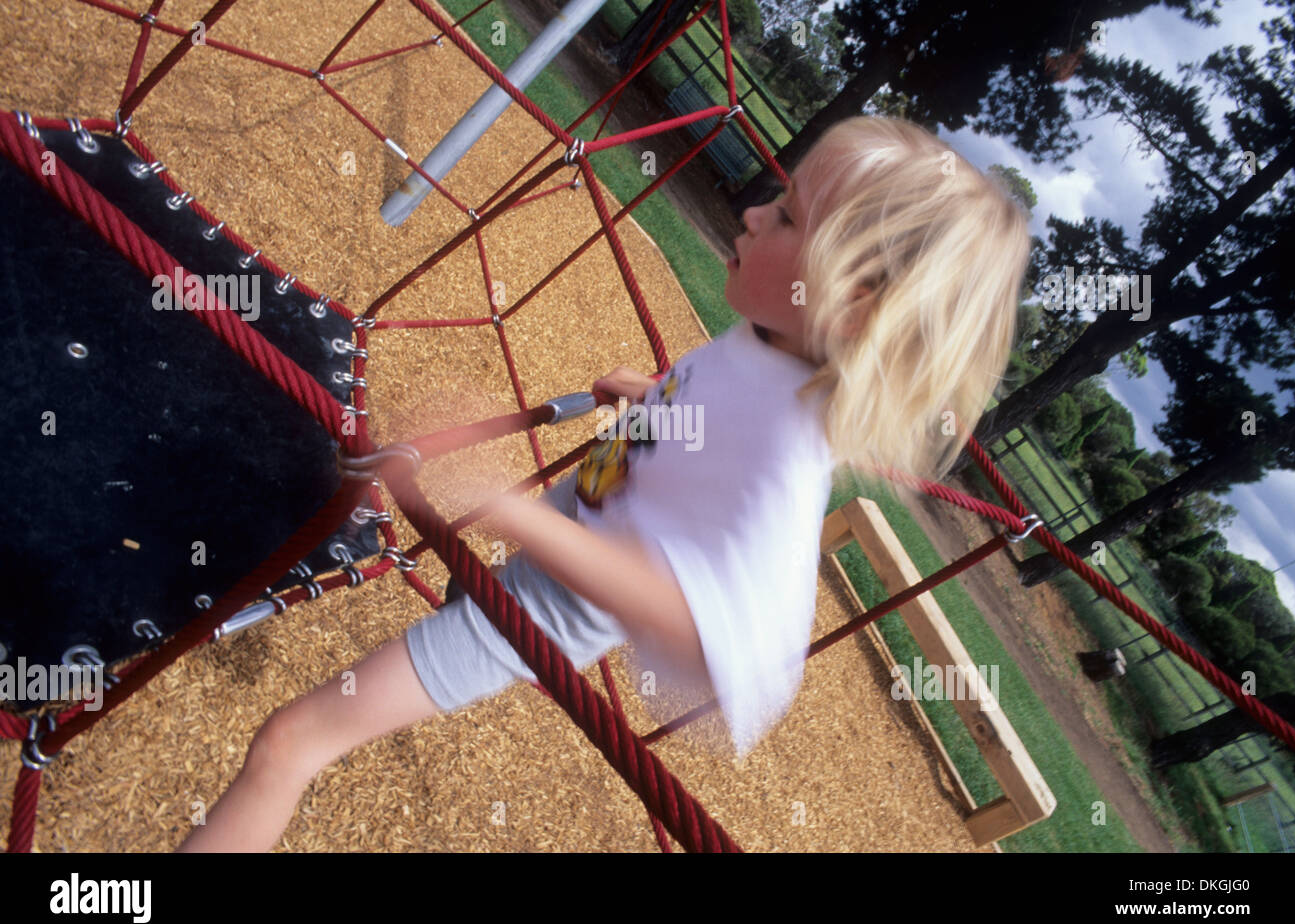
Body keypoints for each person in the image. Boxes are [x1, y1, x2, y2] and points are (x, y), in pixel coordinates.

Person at [176, 115, 1029, 852]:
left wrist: (515, 509)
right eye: (777, 194)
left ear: (853, 306)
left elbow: (711, 634)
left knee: (291, 740)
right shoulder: (773, 340)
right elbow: (713, 417)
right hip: (535, 560)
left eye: (788, 215)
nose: (751, 209)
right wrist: (658, 399)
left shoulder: (787, 452)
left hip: (530, 619)